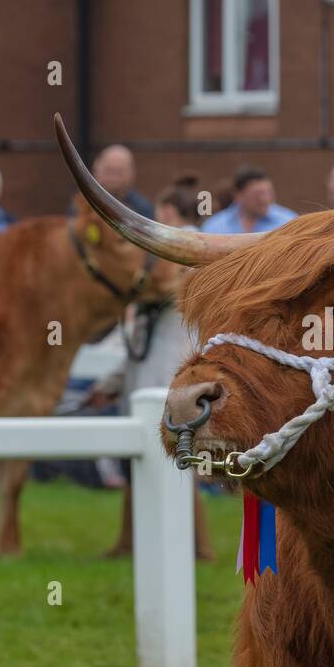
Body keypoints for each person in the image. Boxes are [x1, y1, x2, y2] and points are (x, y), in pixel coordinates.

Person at [86, 175, 212, 561]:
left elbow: (152, 312)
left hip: (164, 370)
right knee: (139, 462)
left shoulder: (183, 252)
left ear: (169, 212)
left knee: (172, 463)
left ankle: (199, 549)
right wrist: (112, 382)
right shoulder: (175, 254)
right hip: (150, 369)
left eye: (160, 212)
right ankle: (129, 541)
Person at [68, 144, 155, 220]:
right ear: (96, 171)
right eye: (108, 171)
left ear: (132, 174)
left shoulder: (142, 209)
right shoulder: (81, 205)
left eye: (119, 172)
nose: (113, 178)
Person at [202, 164, 295, 235]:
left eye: (269, 193)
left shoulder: (289, 223)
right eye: (257, 195)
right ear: (238, 195)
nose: (265, 199)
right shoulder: (214, 227)